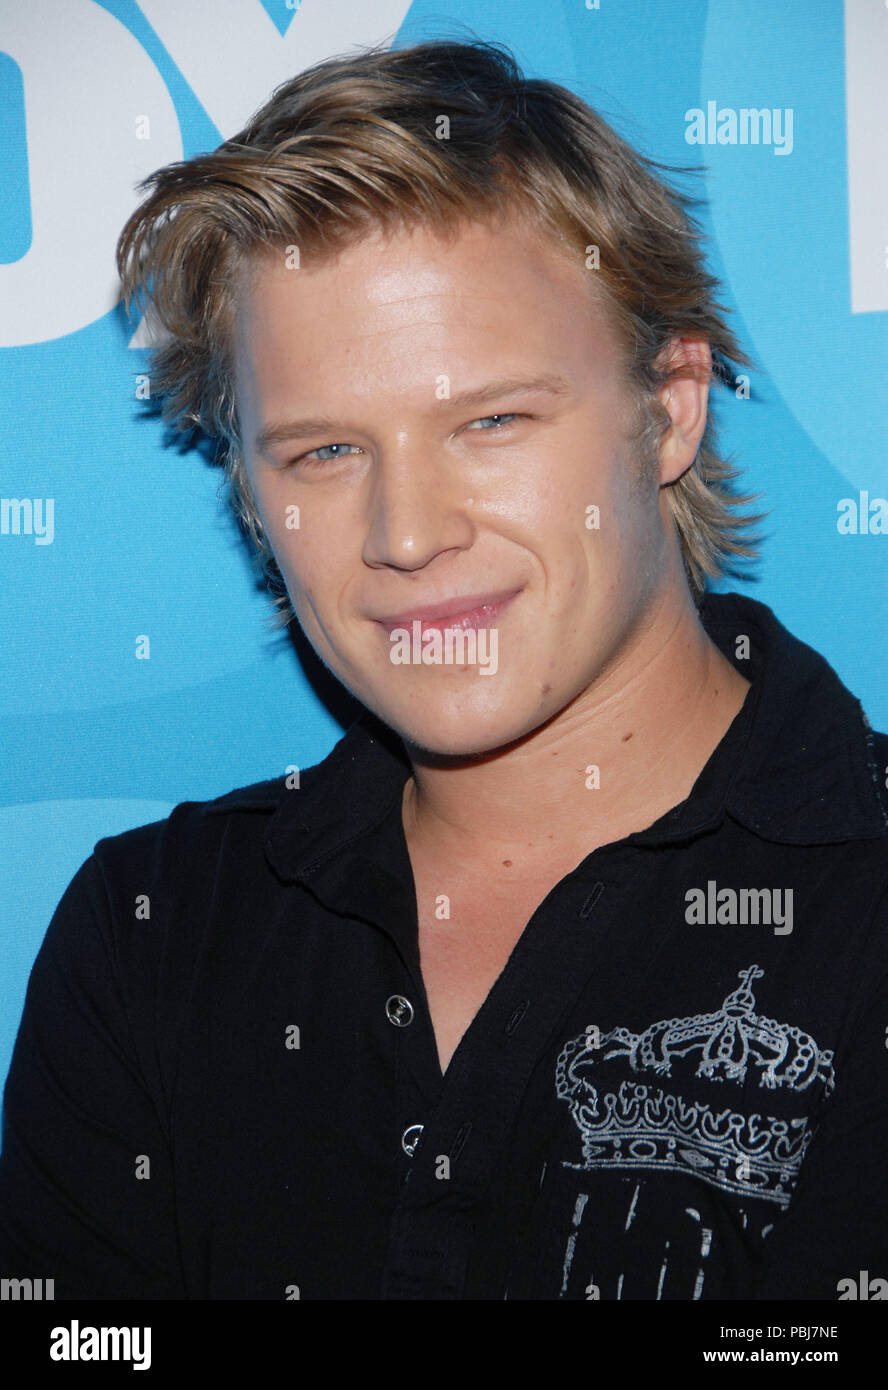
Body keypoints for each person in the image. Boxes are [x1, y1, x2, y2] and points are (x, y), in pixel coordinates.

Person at [1, 38, 886, 1302]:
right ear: (250, 492)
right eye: (321, 453)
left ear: (671, 406)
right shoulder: (150, 934)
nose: (406, 533)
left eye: (490, 422)